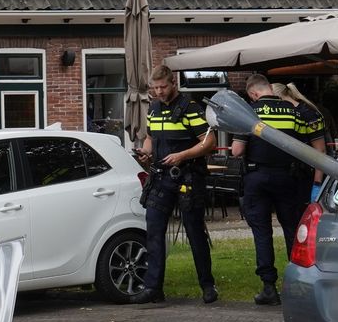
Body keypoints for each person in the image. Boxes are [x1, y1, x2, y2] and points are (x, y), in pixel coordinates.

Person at [231, 74, 327, 305]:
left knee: (262, 232)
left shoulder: (249, 113)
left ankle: (268, 287)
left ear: (253, 93)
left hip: (257, 178)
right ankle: (299, 286)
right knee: (293, 230)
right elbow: (310, 147)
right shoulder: (295, 113)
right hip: (289, 178)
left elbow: (236, 151)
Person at [133, 65, 217, 305]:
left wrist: (182, 155)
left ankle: (207, 285)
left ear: (173, 84)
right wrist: (145, 152)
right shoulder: (153, 108)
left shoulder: (190, 108)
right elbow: (150, 137)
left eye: (163, 87)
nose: (159, 91)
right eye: (155, 88)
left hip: (188, 177)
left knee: (194, 232)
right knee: (154, 231)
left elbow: (209, 142)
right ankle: (153, 288)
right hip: (161, 178)